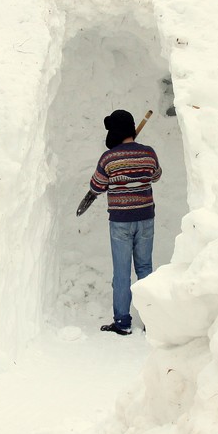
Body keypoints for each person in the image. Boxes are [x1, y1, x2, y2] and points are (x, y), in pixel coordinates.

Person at [88, 110, 162, 336]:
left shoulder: (109, 158)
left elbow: (97, 186)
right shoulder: (148, 153)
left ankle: (122, 322)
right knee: (145, 269)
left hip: (120, 222)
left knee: (122, 273)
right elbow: (156, 175)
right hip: (146, 218)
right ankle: (152, 322)